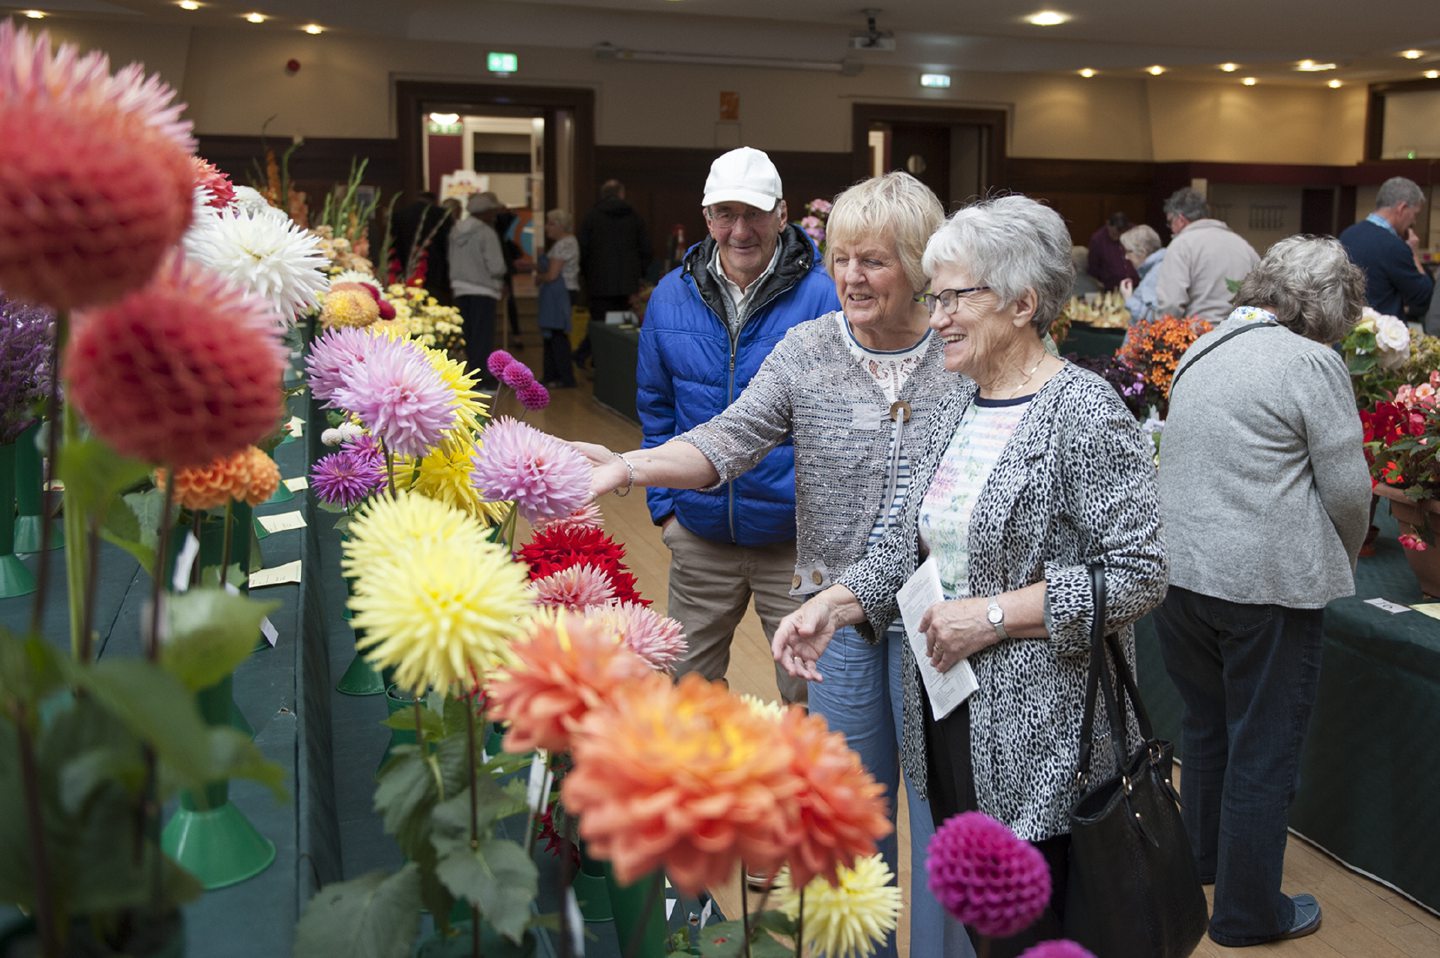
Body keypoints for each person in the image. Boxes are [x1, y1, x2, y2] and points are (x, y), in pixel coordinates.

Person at [577, 172, 970, 957]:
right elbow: (727, 437)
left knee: (945, 828)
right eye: (843, 259)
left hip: (943, 623)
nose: (852, 278)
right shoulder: (810, 348)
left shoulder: (965, 352)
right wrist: (629, 467)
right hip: (839, 623)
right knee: (849, 821)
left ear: (923, 266)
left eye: (876, 262)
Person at [772, 194, 1167, 957]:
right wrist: (837, 603)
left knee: (1037, 931)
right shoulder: (958, 400)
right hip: (947, 714)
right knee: (987, 926)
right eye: (935, 295)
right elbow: (902, 538)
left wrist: (991, 616)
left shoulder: (1081, 410)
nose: (939, 315)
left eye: (956, 296)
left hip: (1046, 739)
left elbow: (1141, 573)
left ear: (1024, 303)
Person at [1154, 235, 1370, 947]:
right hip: (1262, 586)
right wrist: (1342, 557)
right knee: (1264, 750)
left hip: (1178, 580)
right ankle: (1249, 915)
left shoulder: (1204, 347)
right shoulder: (1311, 361)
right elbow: (1346, 490)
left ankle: (1202, 862)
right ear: (1330, 308)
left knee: (1209, 729)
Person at [576, 179, 651, 367]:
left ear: (603, 194)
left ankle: (596, 363)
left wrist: (588, 275)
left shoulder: (591, 217)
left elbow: (583, 251)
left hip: (599, 283)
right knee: (623, 329)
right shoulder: (634, 217)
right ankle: (618, 367)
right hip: (627, 284)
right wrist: (638, 275)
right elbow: (646, 249)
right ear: (621, 194)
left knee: (600, 325)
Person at [1155, 187, 1260, 321]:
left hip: (1198, 334)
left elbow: (1171, 303)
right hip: (1239, 332)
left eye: (1170, 222)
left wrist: (1160, 333)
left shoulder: (1181, 245)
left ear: (1180, 220)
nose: (1171, 229)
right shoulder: (1244, 245)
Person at [1339, 176, 1434, 321]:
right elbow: (1423, 296)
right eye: (1415, 214)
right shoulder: (1394, 246)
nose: (1414, 221)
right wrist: (1413, 252)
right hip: (1381, 336)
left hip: (1348, 329)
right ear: (1402, 208)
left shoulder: (1347, 234)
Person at [449, 191, 506, 385]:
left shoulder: (455, 230)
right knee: (483, 335)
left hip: (460, 288)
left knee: (469, 335)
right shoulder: (486, 232)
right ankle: (483, 378)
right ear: (486, 212)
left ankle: (472, 376)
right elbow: (496, 265)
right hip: (484, 289)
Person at [535, 208, 580, 388]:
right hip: (558, 292)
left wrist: (539, 277)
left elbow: (552, 274)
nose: (547, 227)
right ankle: (552, 376)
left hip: (560, 293)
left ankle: (563, 377)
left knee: (557, 335)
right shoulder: (563, 243)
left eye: (551, 223)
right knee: (553, 335)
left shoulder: (565, 243)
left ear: (561, 225)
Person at [1117, 223, 1165, 322]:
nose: (1126, 257)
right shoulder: (1160, 267)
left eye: (1128, 251)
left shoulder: (1154, 275)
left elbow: (1152, 319)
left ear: (1142, 252)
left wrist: (1128, 298)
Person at [1087, 211, 1139, 291]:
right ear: (1108, 224)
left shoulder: (1136, 232)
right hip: (1111, 287)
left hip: (1136, 285)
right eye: (1114, 234)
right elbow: (1093, 267)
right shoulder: (1097, 239)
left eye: (1121, 234)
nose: (1117, 238)